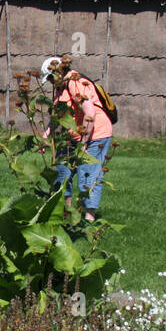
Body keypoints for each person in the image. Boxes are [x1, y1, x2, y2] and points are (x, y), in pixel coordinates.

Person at [41, 55, 113, 222]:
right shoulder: (61, 89)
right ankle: (65, 212)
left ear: (58, 72)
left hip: (96, 135)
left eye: (51, 78)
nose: (51, 83)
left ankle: (89, 218)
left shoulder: (76, 83)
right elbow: (57, 117)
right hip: (73, 136)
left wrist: (84, 142)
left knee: (88, 174)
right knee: (62, 170)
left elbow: (90, 113)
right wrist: (46, 137)